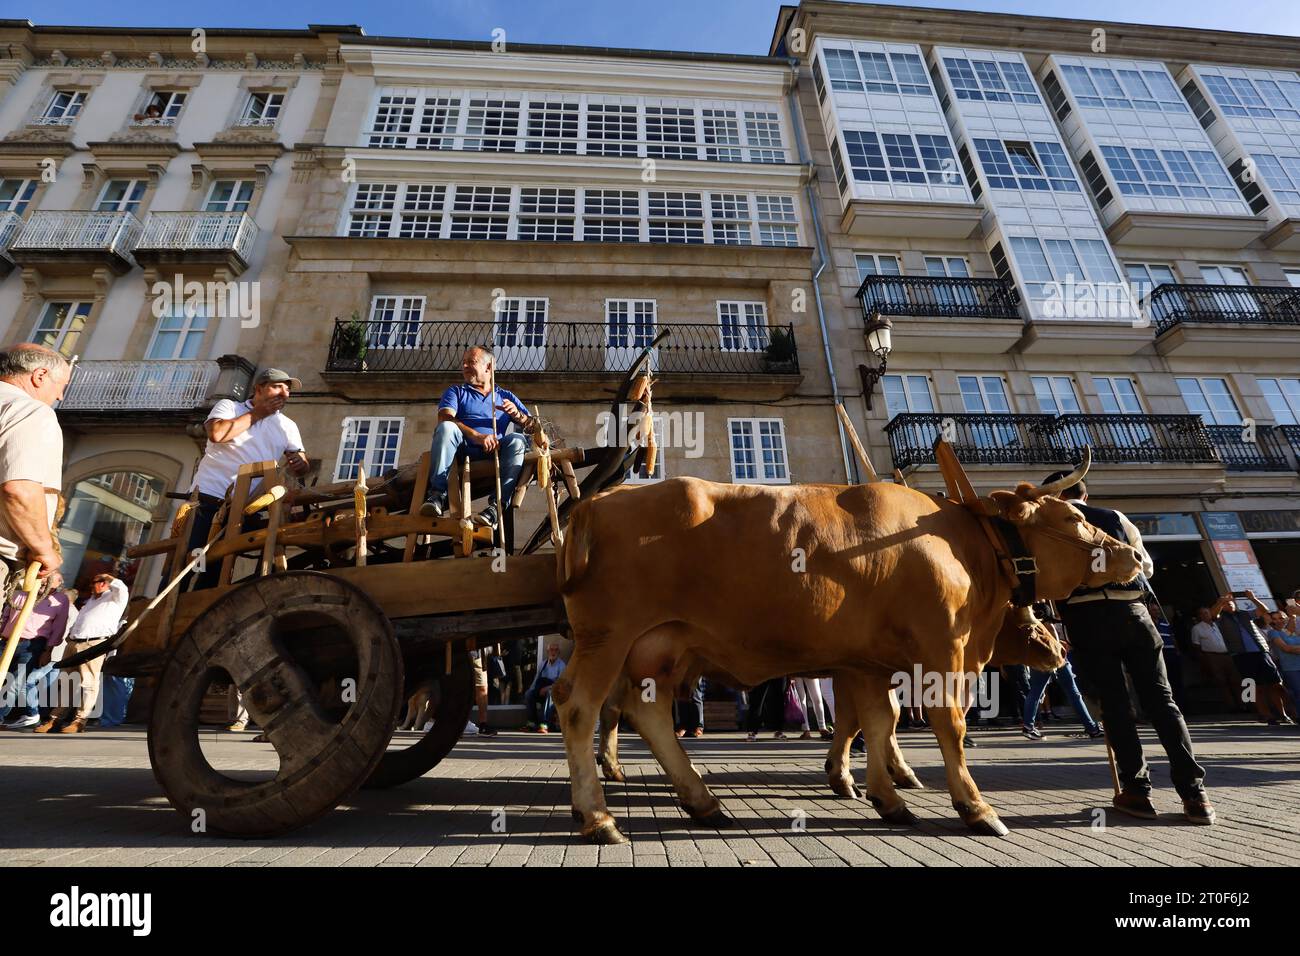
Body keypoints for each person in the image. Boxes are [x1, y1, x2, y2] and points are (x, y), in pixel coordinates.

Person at [1046, 467, 1215, 825]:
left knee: (1115, 705)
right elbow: (1146, 568)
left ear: (1055, 497)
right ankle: (1194, 794)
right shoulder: (1116, 517)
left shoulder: (1050, 525)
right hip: (1133, 612)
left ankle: (1136, 791)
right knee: (1162, 701)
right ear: (1085, 495)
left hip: (1086, 617)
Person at [186, 368, 311, 590]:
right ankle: (166, 612)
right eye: (277, 386)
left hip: (245, 509)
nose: (284, 393)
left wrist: (300, 463)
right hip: (207, 501)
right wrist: (259, 413)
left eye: (287, 389)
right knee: (191, 563)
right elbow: (217, 433)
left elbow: (301, 460)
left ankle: (201, 611)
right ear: (259, 388)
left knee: (217, 572)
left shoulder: (287, 426)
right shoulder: (229, 406)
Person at [419, 346, 546, 531]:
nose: (464, 365)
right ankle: (438, 494)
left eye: (471, 362)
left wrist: (519, 416)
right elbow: (445, 417)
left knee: (518, 440)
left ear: (489, 367)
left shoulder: (505, 396)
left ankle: (496, 507)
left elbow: (535, 429)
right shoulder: (456, 392)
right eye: (463, 362)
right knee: (447, 427)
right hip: (462, 449)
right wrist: (477, 436)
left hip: (495, 451)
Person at [0, 344, 71, 594]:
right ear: (39, 376)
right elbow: (18, 489)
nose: (60, 396)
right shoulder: (29, 410)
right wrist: (44, 549)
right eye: (61, 385)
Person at [35, 574, 129, 734]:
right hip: (75, 642)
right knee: (66, 682)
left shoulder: (114, 598)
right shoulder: (90, 601)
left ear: (107, 584)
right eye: (93, 582)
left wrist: (109, 577)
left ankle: (80, 720)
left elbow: (123, 589)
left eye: (99, 582)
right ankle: (55, 718)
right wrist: (72, 634)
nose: (94, 585)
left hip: (94, 643)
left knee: (89, 683)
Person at [1209, 591, 1294, 725]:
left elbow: (1263, 610)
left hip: (1260, 651)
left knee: (1275, 683)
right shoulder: (1221, 618)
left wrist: (1253, 598)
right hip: (1241, 655)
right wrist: (1220, 602)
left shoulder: (1243, 614)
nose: (1229, 604)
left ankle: (1283, 713)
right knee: (1251, 685)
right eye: (1225, 604)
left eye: (1230, 602)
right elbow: (1213, 615)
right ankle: (1264, 714)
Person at [1021, 609, 1104, 740]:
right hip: (1056, 659)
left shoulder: (1032, 626)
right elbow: (1057, 645)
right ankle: (1091, 727)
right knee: (1073, 693)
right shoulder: (1049, 626)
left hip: (1038, 660)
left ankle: (1028, 726)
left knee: (1035, 692)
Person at [0, 587, 74, 729]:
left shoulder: (60, 600)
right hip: (7, 640)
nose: (44, 582)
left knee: (15, 683)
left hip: (32, 645)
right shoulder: (20, 592)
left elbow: (59, 628)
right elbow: (6, 614)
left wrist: (48, 650)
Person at [1190, 605, 1240, 713]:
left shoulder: (1219, 624)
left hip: (1228, 655)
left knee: (1236, 680)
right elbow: (1196, 645)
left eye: (1206, 612)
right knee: (1222, 682)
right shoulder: (1197, 628)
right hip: (1213, 657)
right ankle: (1231, 706)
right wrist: (1204, 660)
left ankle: (1244, 704)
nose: (1205, 615)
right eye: (1202, 613)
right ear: (1199, 616)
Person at [524, 641, 565, 733]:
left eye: (556, 650)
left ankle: (544, 724)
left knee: (550, 693)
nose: (553, 652)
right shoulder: (543, 664)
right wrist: (532, 690)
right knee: (528, 694)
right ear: (548, 652)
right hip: (541, 690)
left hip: (555, 691)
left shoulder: (561, 665)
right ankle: (532, 723)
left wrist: (547, 688)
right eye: (551, 650)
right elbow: (536, 678)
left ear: (558, 653)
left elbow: (561, 683)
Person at [1265, 604, 1300, 713]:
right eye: (1274, 619)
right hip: (1290, 668)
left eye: (1281, 617)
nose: (1278, 621)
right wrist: (1292, 648)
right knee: (1298, 692)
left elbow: (1290, 645)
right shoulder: (1272, 632)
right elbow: (1286, 648)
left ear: (1286, 617)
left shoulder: (1293, 631)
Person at [463, 649, 498, 737]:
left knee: (482, 688)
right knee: (462, 688)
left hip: (478, 654)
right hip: (460, 654)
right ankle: (459, 723)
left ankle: (483, 725)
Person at [744, 677, 787, 741]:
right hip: (761, 670)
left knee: (778, 699)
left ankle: (778, 730)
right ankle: (751, 731)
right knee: (756, 697)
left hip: (778, 670)